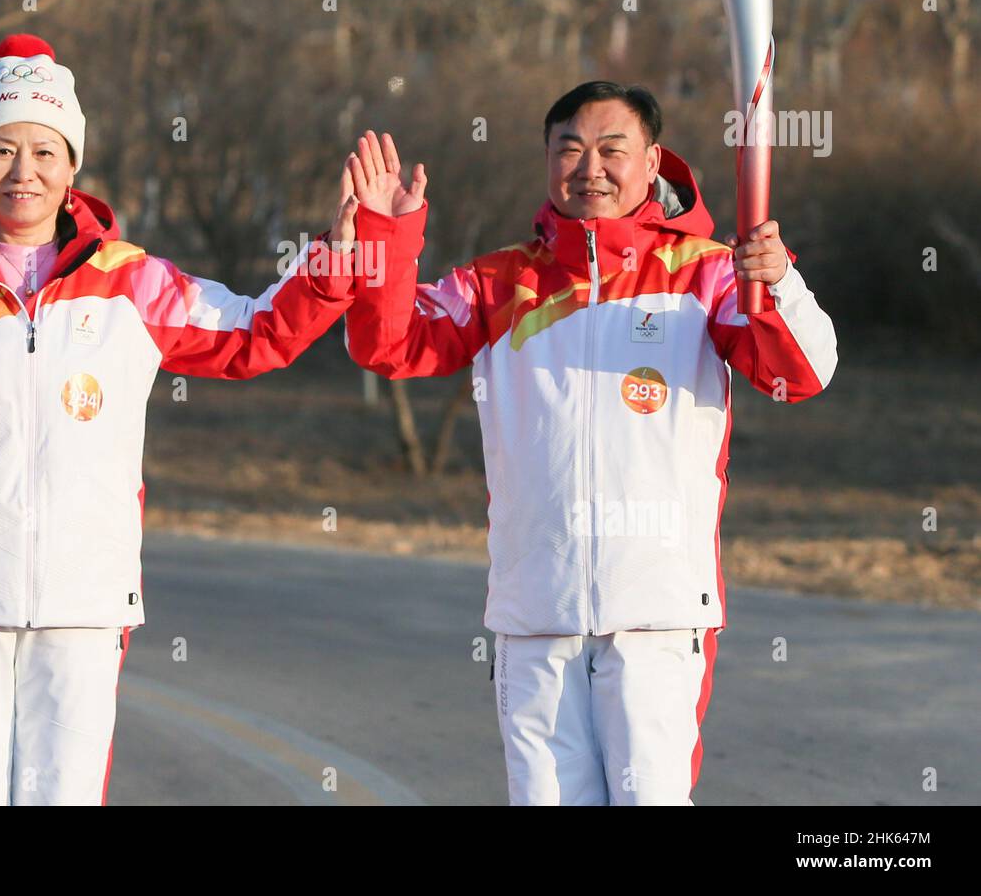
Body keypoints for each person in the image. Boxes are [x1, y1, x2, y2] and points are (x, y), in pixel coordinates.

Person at [0, 33, 358, 805]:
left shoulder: (131, 281)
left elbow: (254, 335)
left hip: (84, 600)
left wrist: (336, 258)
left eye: (43, 151)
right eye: (0, 150)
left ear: (71, 168)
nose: (21, 172)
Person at [341, 82, 838, 806]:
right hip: (536, 611)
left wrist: (778, 284)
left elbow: (802, 372)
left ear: (652, 160)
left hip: (657, 612)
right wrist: (388, 236)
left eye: (612, 148)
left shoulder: (706, 271)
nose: (589, 167)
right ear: (548, 160)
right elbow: (388, 343)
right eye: (569, 148)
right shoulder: (499, 281)